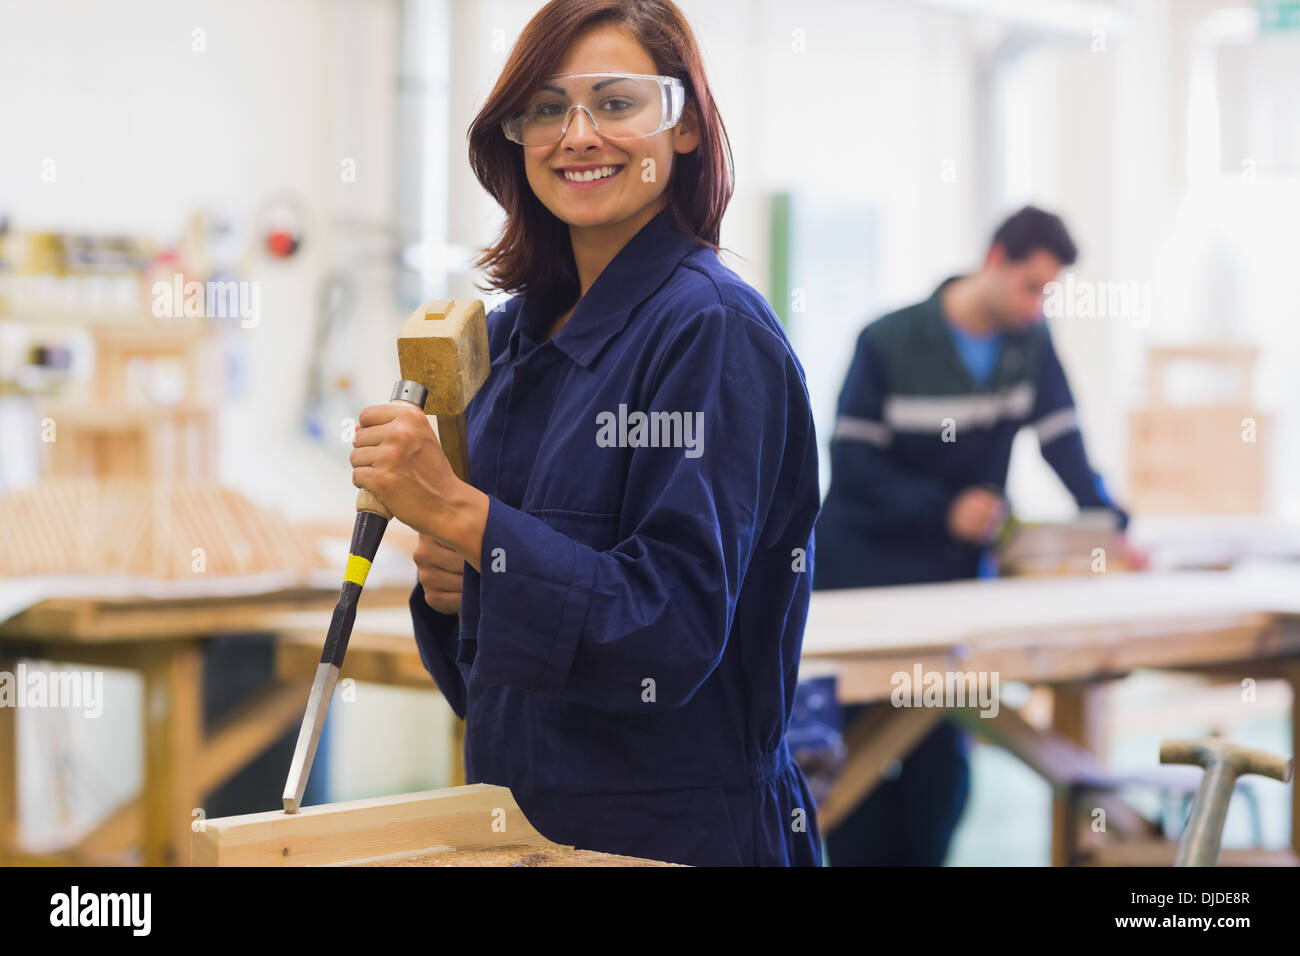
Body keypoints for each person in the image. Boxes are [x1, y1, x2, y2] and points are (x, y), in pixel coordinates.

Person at [349, 0, 822, 867]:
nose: (577, 135)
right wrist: (461, 581)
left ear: (683, 126)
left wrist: (462, 514)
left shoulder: (711, 333)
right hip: (521, 826)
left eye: (615, 103)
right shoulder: (516, 340)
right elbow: (496, 668)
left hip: (673, 841)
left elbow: (670, 634)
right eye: (546, 107)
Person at [814, 205, 1137, 865]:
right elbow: (850, 466)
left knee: (939, 778)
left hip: (953, 589)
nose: (1038, 304)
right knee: (855, 782)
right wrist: (943, 509)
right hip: (862, 584)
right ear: (995, 261)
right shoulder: (888, 340)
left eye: (1049, 291)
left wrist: (1113, 523)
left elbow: (1065, 445)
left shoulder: (1030, 346)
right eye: (1031, 286)